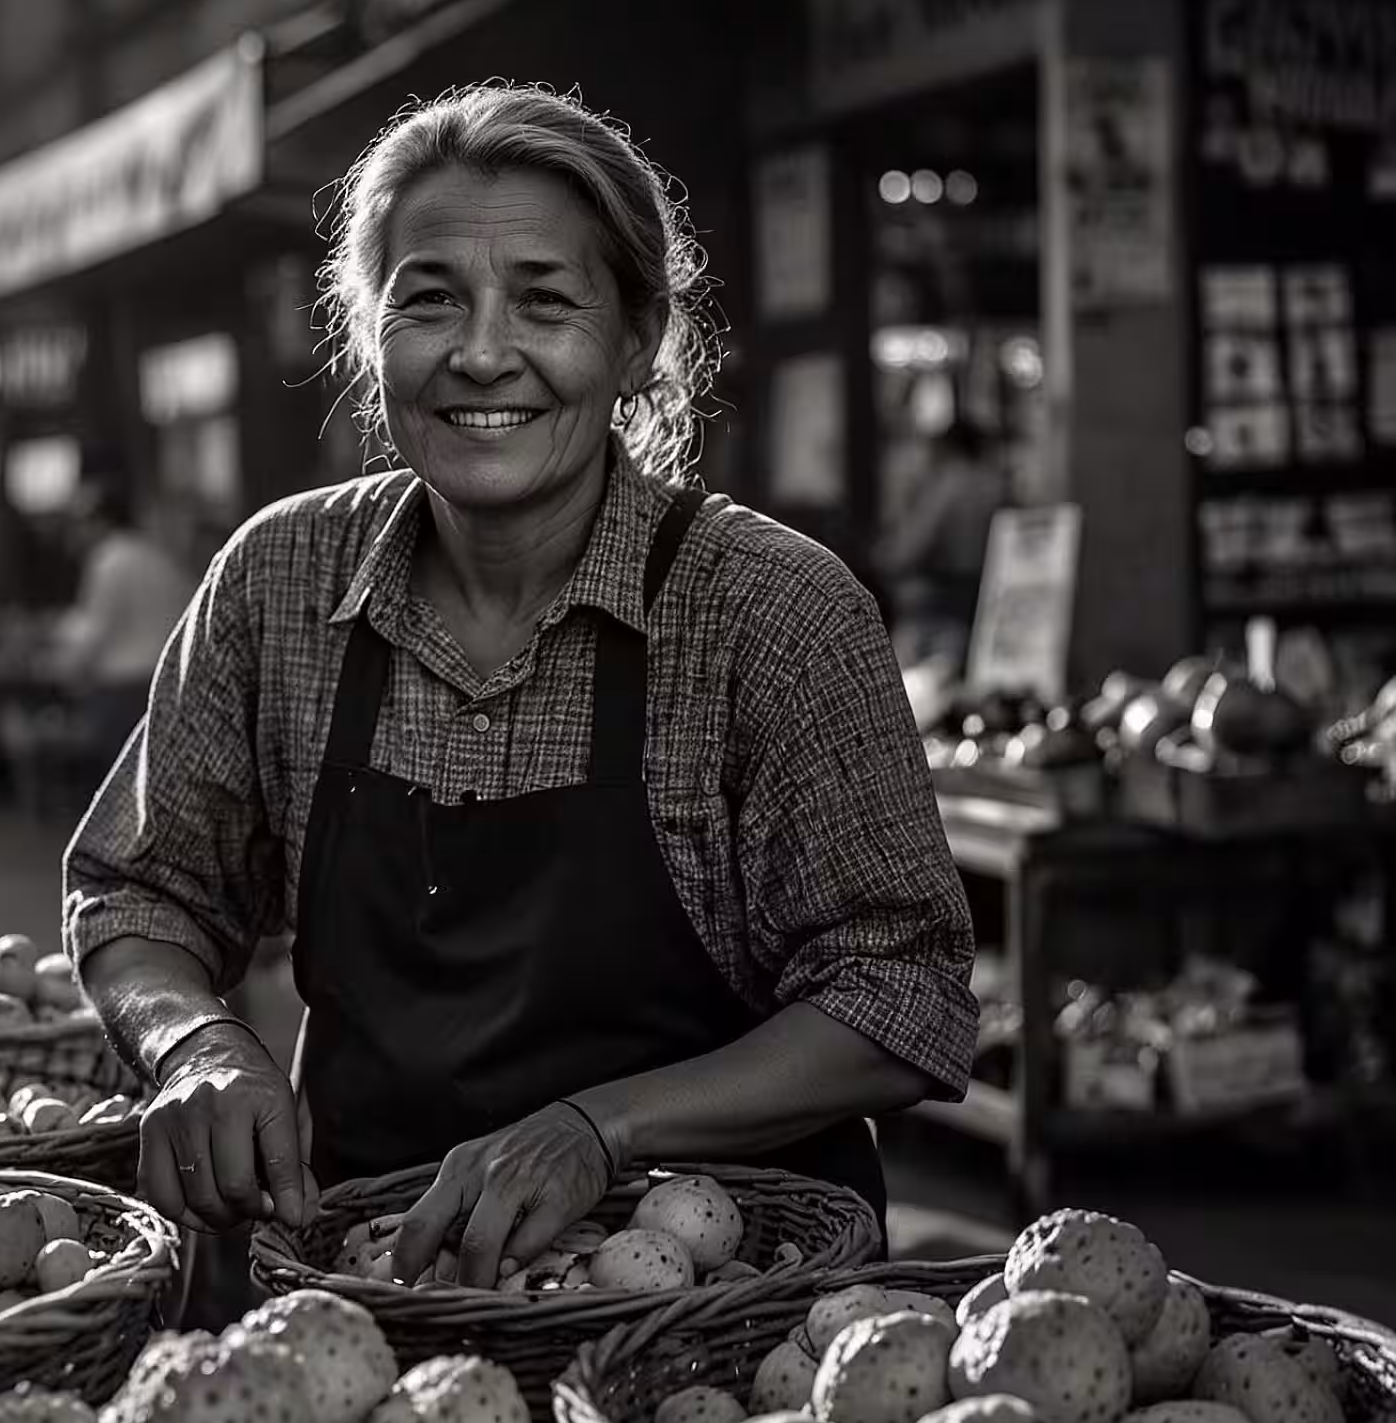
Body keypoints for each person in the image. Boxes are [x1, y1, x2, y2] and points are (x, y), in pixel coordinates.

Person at [63, 85, 977, 1318]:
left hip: (729, 1322)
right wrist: (193, 1042)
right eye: (429, 299)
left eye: (545, 301)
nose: (482, 354)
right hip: (375, 1300)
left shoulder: (772, 612)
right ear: (367, 329)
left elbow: (900, 990)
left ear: (639, 337)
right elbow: (140, 887)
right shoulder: (276, 584)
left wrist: (601, 1129)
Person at [47, 479, 197, 758]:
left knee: (119, 785)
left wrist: (63, 669)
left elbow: (96, 629)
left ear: (100, 521)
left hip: (122, 690)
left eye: (81, 523)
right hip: (166, 682)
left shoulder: (109, 559)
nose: (76, 533)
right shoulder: (156, 554)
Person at [874, 415, 1007, 673]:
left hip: (939, 616)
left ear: (948, 449)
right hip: (986, 610)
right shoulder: (997, 486)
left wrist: (883, 556)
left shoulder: (950, 484)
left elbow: (906, 551)